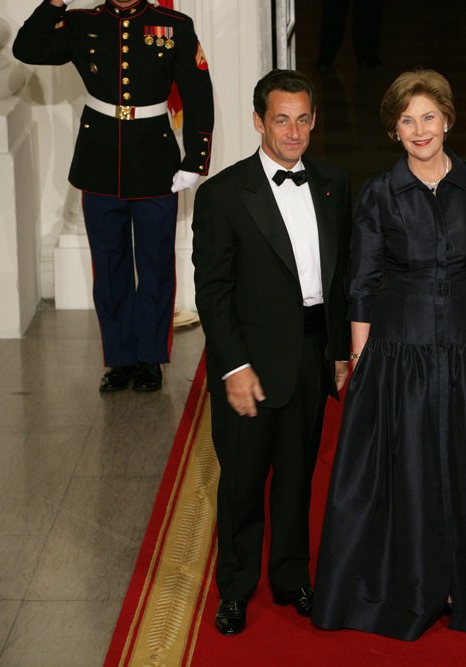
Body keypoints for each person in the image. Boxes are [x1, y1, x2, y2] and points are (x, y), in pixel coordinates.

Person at [312, 69, 466, 641]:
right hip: (401, 353)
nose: (420, 129)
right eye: (407, 120)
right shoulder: (379, 192)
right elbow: (362, 280)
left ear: (448, 118)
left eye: (429, 117)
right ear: (394, 131)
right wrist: (359, 360)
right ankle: (416, 586)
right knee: (411, 470)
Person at [192, 69, 352, 636]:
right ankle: (235, 589)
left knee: (297, 476)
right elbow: (212, 292)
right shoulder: (222, 194)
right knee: (241, 480)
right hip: (250, 359)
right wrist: (233, 367)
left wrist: (338, 350)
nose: (293, 131)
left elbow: (341, 277)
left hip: (311, 352)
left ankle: (290, 577)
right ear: (258, 120)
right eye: (280, 119)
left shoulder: (334, 184)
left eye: (303, 118)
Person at [13, 0, 214, 393]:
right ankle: (120, 360)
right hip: (99, 162)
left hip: (155, 162)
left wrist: (194, 160)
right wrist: (54, 3)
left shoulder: (173, 25)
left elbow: (197, 92)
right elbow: (27, 48)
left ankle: (150, 359)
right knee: (109, 269)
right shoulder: (80, 22)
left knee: (155, 268)